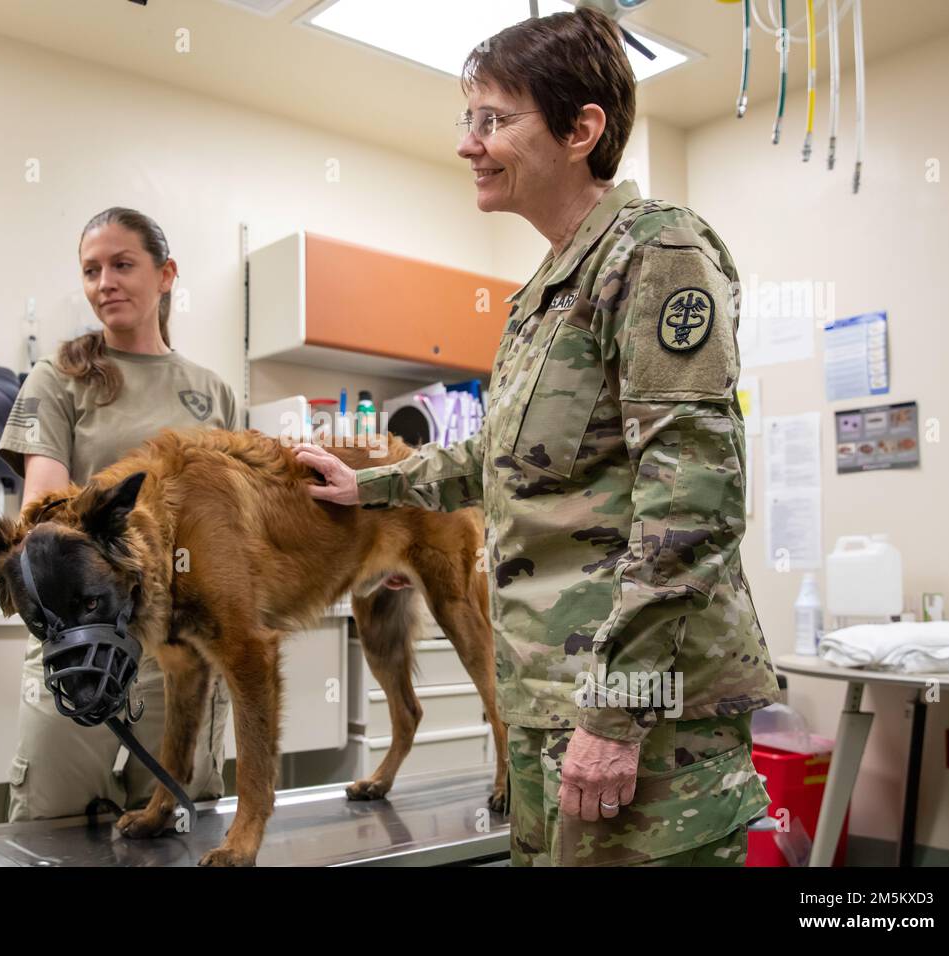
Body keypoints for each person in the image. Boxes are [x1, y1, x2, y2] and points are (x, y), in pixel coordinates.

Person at [296, 8, 780, 866]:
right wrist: (366, 486)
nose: (467, 144)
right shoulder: (543, 297)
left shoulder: (655, 252)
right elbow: (497, 461)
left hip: (641, 718)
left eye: (493, 120)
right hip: (545, 701)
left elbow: (693, 502)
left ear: (580, 129)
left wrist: (617, 711)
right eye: (467, 120)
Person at [0, 206, 238, 822]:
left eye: (122, 264)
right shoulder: (58, 380)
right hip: (78, 636)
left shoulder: (213, 392)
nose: (105, 282)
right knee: (53, 825)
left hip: (183, 642)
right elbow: (41, 520)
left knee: (177, 829)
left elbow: (239, 523)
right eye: (91, 270)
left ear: (166, 274)